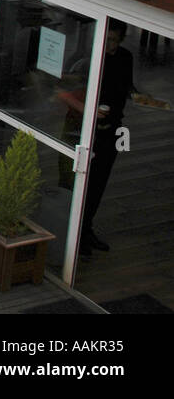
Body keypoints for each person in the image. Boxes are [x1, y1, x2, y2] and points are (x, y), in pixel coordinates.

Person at [79, 20, 134, 256]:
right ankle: (78, 232)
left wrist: (140, 96)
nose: (108, 44)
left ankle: (86, 227)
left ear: (120, 39)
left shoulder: (125, 58)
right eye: (106, 39)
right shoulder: (91, 59)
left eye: (113, 40)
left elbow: (127, 86)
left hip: (112, 126)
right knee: (82, 180)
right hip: (88, 125)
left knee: (100, 180)